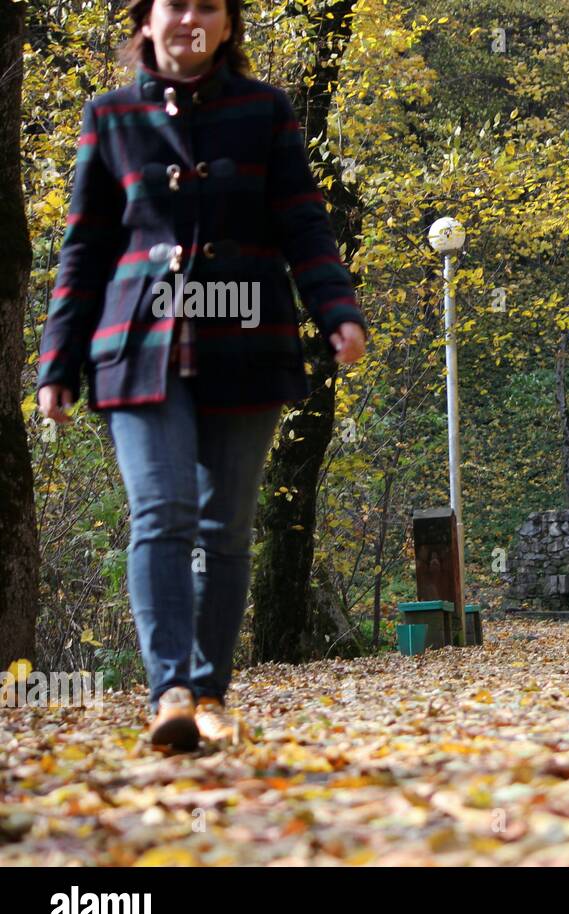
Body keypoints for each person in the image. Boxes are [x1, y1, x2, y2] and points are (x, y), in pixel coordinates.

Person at [35, 0, 368, 751]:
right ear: (146, 21)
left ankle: (212, 693)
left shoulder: (266, 111)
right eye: (175, 3)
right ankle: (170, 695)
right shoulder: (110, 116)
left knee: (225, 528)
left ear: (227, 26)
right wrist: (57, 360)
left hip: (247, 340)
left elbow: (303, 221)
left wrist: (336, 308)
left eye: (208, 6)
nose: (191, 17)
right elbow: (84, 248)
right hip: (137, 345)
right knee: (162, 511)